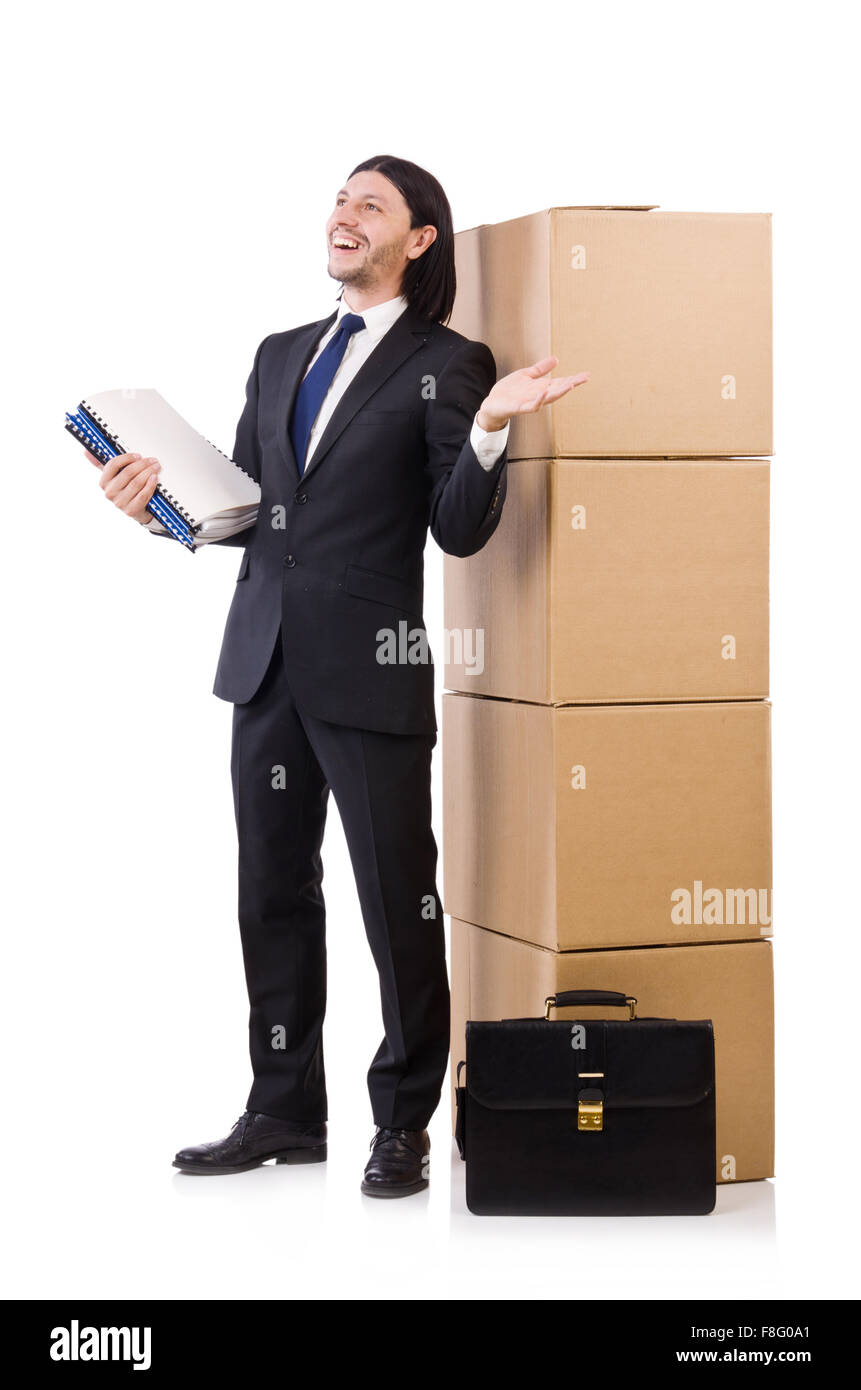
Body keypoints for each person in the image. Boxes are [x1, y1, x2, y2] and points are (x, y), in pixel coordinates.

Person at [90, 155, 589, 1197]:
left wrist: (492, 426)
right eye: (340, 198)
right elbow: (250, 512)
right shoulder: (278, 356)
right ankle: (283, 1108)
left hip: (369, 673)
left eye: (372, 204)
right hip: (264, 660)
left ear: (418, 240)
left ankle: (403, 1120)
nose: (344, 214)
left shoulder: (449, 362)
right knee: (271, 892)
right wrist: (158, 511)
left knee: (395, 899)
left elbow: (458, 527)